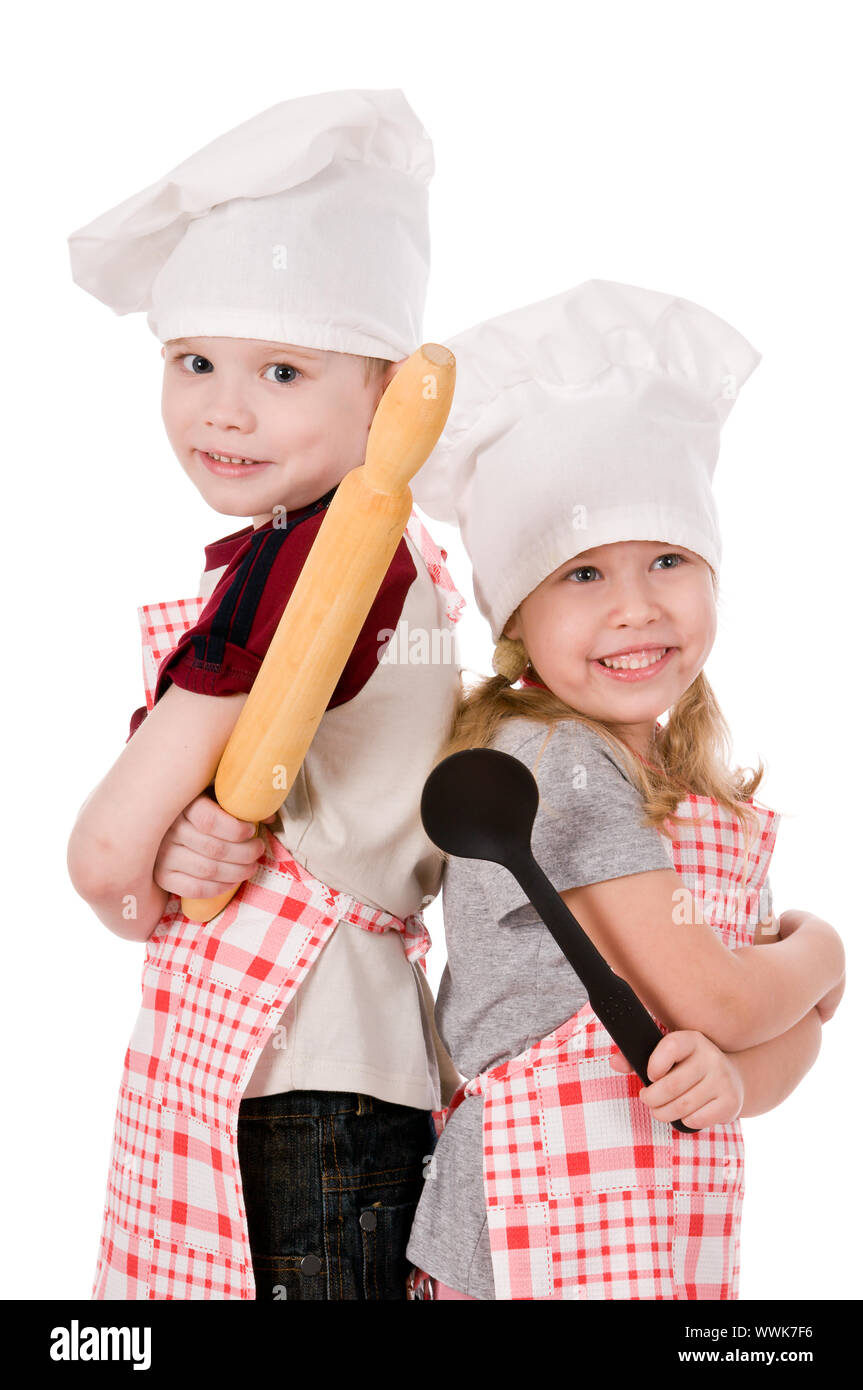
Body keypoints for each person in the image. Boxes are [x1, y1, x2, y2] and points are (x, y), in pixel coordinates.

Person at [65, 89, 464, 1301]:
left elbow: (105, 851)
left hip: (295, 1063)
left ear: (386, 396)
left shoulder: (312, 563)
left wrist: (142, 872)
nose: (222, 409)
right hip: (358, 1057)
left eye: (282, 369)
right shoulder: (390, 545)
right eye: (193, 362)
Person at [404, 279, 846, 1300]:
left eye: (664, 558)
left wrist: (740, 1075)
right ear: (516, 617)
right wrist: (822, 955)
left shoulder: (679, 778)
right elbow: (721, 996)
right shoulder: (557, 762)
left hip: (653, 1210)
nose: (635, 607)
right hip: (530, 1218)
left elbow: (747, 1048)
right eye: (580, 575)